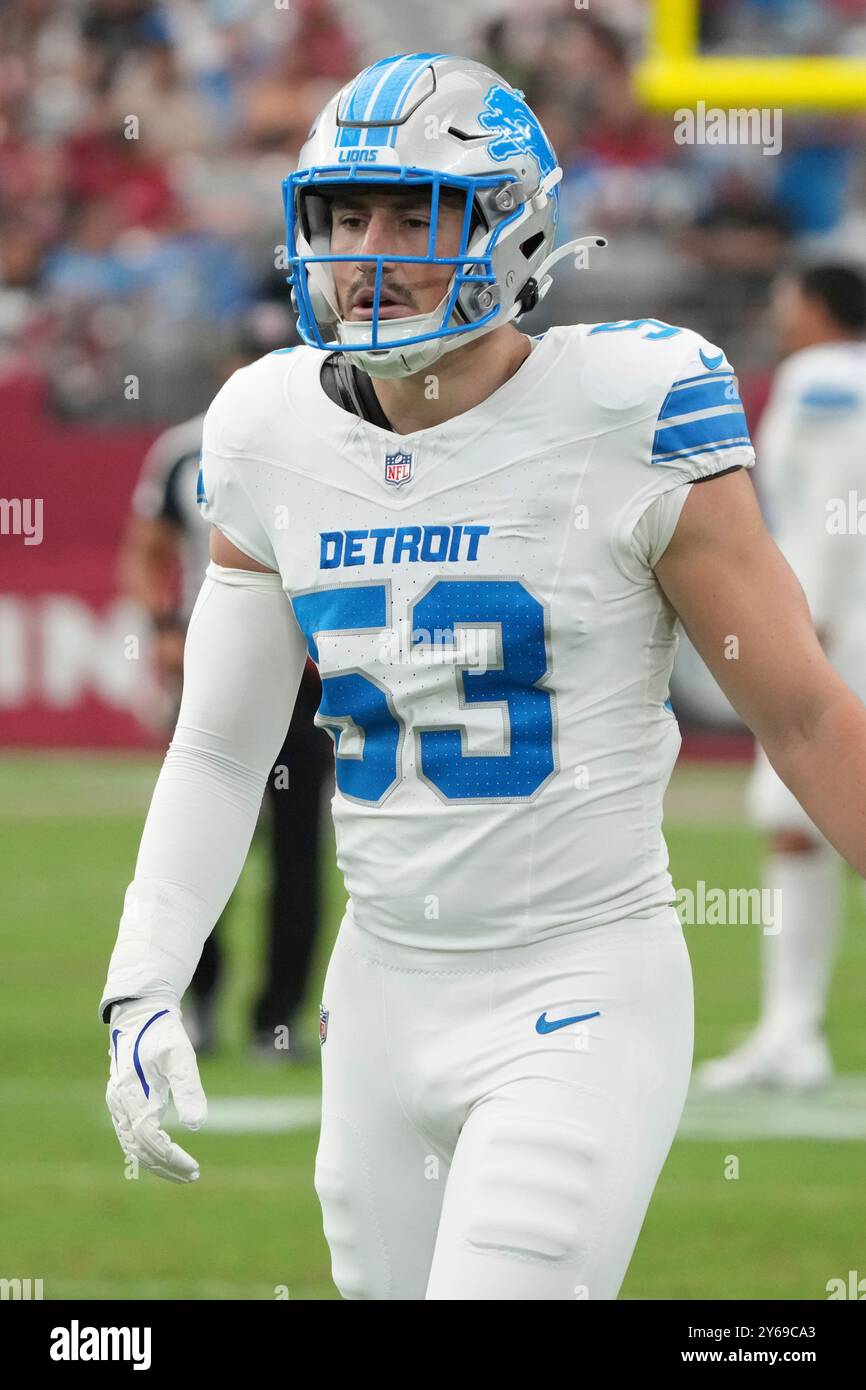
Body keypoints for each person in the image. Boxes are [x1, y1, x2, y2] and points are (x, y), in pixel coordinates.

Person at [100, 54, 866, 1299]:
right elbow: (222, 749)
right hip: (381, 991)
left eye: (414, 212)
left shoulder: (626, 407)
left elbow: (800, 708)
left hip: (578, 979)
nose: (370, 249)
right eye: (346, 215)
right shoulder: (267, 426)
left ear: (509, 223)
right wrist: (141, 982)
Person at [119, 330, 332, 1059]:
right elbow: (149, 544)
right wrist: (163, 627)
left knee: (303, 853)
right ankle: (196, 1002)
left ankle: (278, 1018)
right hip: (220, 666)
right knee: (207, 837)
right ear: (227, 364)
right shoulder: (190, 445)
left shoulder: (332, 434)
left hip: (310, 678)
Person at [696, 264, 866, 1092]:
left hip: (841, 631)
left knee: (799, 822)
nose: (778, 308)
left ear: (821, 305)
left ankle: (793, 1029)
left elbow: (838, 505)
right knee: (803, 827)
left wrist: (806, 624)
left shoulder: (826, 377)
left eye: (790, 295)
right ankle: (790, 1027)